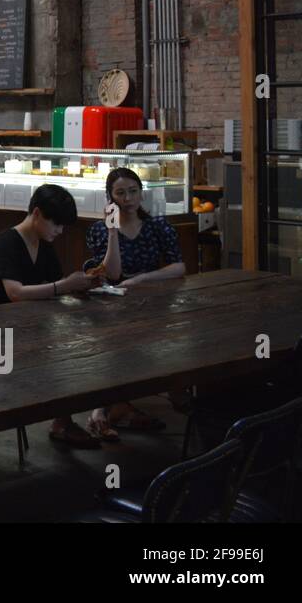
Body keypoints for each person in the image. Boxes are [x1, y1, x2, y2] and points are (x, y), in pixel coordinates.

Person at [0, 184, 101, 448]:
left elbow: (56, 281)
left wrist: (80, 284)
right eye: (56, 223)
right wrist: (65, 286)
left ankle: (70, 419)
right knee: (66, 354)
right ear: (36, 213)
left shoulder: (42, 243)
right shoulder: (7, 242)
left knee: (80, 347)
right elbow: (15, 293)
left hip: (28, 325)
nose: (60, 230)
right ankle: (64, 421)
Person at [83, 167, 186, 440]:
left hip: (153, 300)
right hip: (112, 302)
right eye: (120, 193)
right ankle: (103, 408)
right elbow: (113, 274)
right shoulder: (99, 230)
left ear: (141, 193)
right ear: (110, 197)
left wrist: (142, 278)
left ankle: (106, 408)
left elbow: (178, 266)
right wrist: (112, 231)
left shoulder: (158, 226)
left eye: (133, 191)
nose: (128, 198)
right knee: (116, 338)